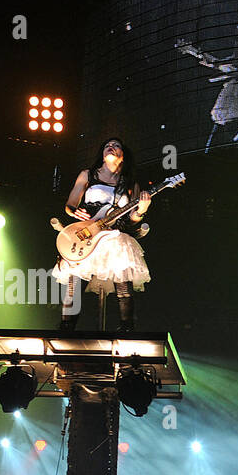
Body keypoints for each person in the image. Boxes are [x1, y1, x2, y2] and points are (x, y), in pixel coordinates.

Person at [53, 138, 151, 332]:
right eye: (107, 145)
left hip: (114, 237)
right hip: (87, 233)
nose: (111, 147)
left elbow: (133, 218)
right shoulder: (87, 175)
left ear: (123, 157)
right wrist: (74, 212)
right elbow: (70, 203)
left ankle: (127, 328)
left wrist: (142, 210)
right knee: (75, 283)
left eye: (116, 146)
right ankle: (66, 328)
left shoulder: (130, 183)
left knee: (123, 284)